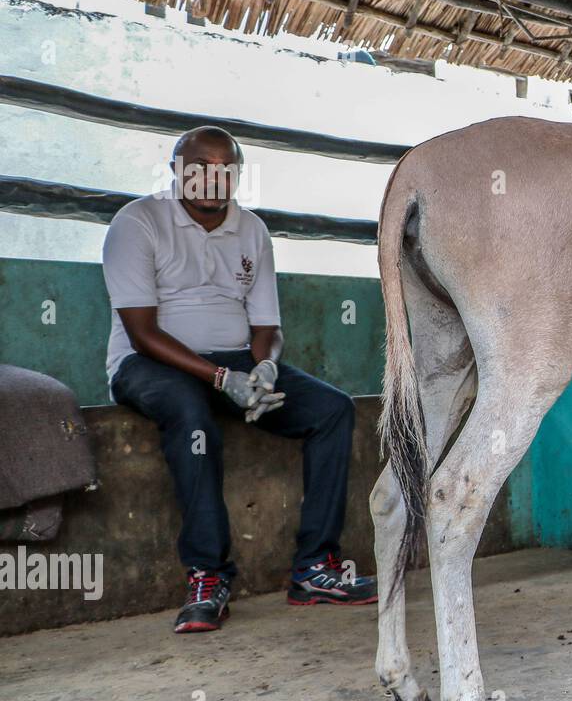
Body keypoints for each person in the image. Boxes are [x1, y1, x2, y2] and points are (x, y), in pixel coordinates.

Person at [102, 126, 376, 633]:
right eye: (198, 166)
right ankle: (208, 575)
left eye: (223, 168)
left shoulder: (251, 230)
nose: (211, 177)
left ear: (236, 176)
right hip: (148, 366)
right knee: (190, 411)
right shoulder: (138, 222)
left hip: (234, 362)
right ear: (176, 171)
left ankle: (315, 568)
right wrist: (221, 377)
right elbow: (141, 333)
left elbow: (266, 327)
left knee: (332, 409)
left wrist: (264, 367)